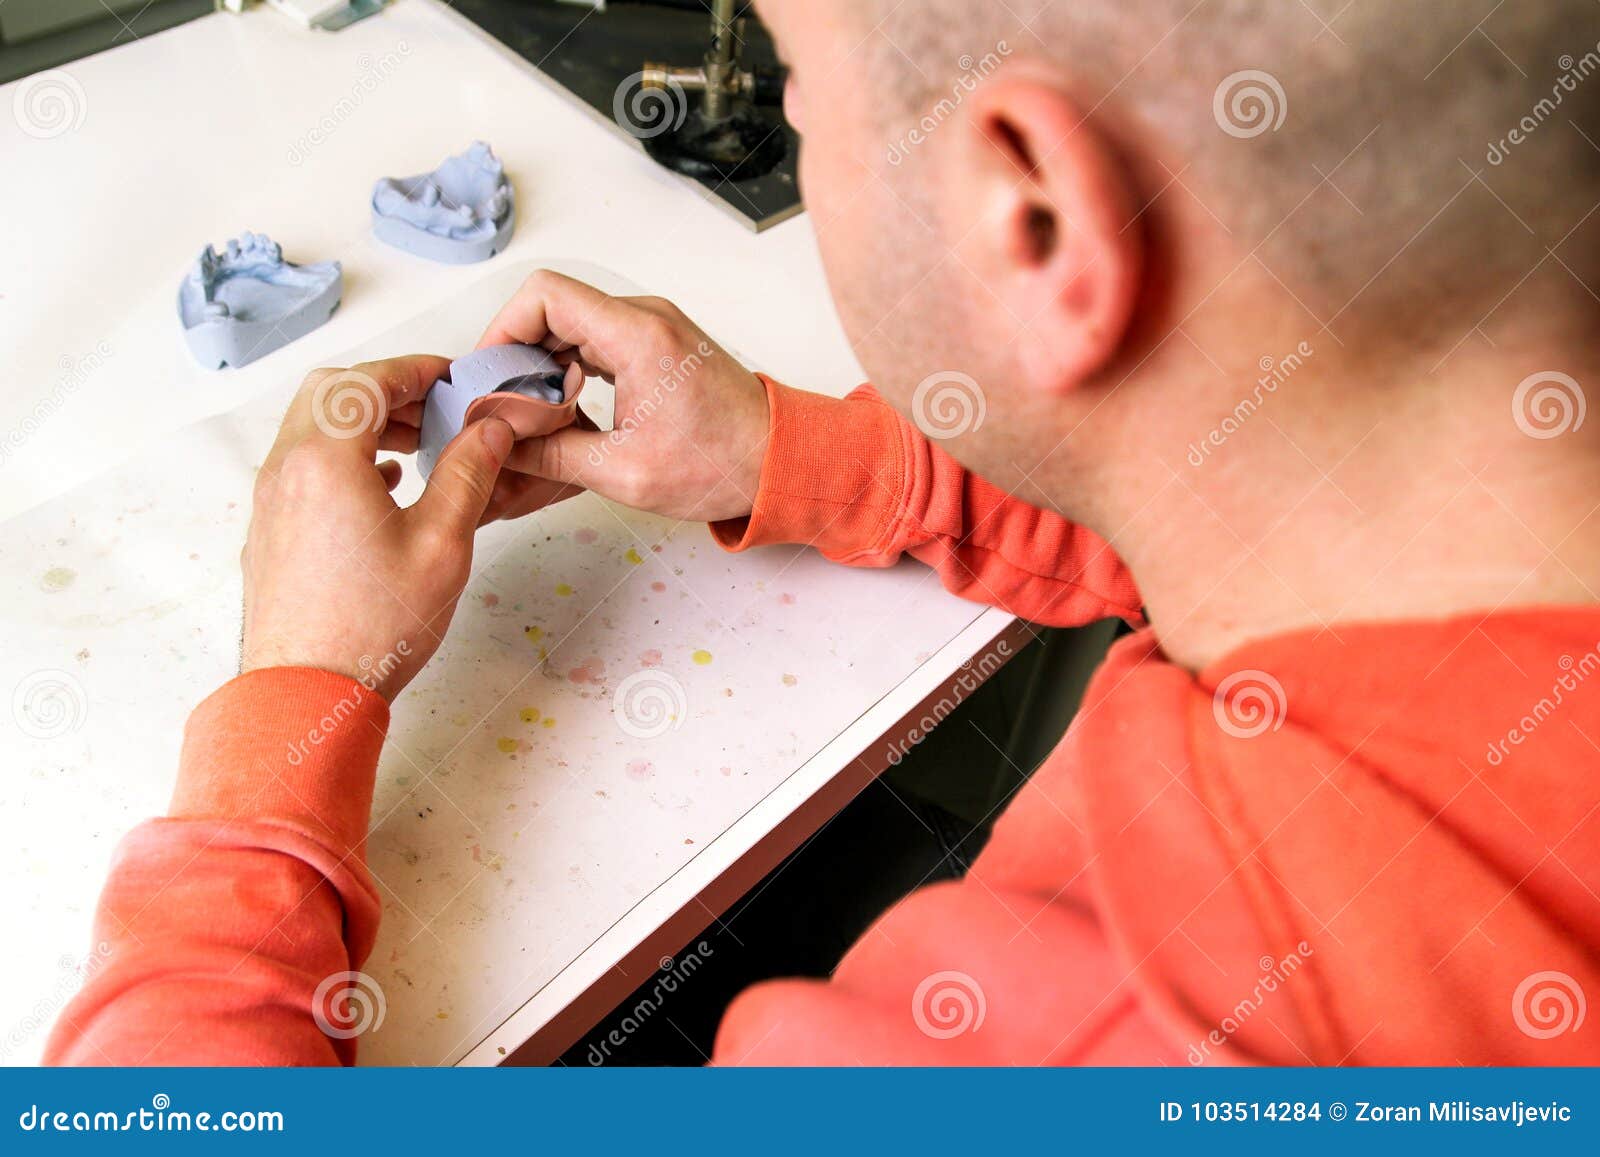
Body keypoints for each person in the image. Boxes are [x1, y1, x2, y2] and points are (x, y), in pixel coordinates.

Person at [48, 0, 1600, 1065]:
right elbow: (1268, 471)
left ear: (1032, 218)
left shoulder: (1105, 1045)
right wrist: (792, 452)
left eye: (797, 92)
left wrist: (287, 708)